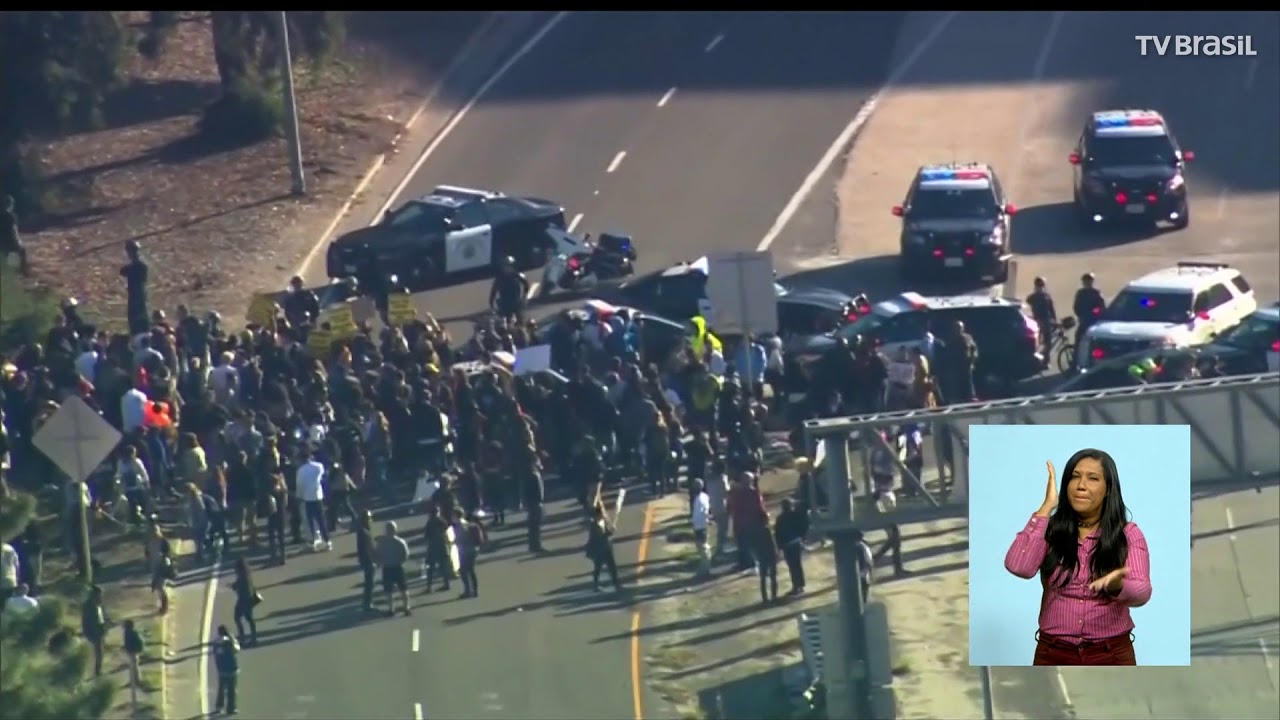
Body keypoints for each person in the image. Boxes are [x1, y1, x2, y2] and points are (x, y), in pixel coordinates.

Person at [1003, 450, 1151, 666]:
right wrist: (1046, 507)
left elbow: (1142, 592)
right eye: (1075, 476)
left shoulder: (1128, 534)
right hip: (1053, 652)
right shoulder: (1050, 531)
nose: (1081, 485)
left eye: (1093, 478)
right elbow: (1019, 567)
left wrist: (1117, 585)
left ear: (1108, 489)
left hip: (1111, 653)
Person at [774, 498, 809, 596]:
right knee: (798, 565)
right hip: (796, 542)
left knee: (792, 566)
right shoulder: (795, 515)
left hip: (787, 545)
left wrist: (779, 547)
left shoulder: (780, 518)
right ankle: (801, 585)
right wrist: (802, 537)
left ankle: (796, 586)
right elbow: (803, 526)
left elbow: (778, 534)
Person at [376, 521, 412, 616]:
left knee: (392, 590)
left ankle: (393, 609)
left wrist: (380, 562)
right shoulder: (400, 542)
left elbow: (378, 554)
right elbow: (406, 555)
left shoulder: (382, 542)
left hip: (389, 567)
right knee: (400, 589)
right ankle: (404, 608)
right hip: (395, 567)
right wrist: (400, 561)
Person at [585, 502, 621, 592]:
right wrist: (609, 533)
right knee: (598, 569)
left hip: (607, 548)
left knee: (612, 567)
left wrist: (610, 530)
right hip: (599, 550)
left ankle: (616, 584)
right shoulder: (594, 526)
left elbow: (606, 531)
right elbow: (599, 537)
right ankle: (595, 585)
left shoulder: (603, 522)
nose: (600, 516)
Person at [488, 256, 529, 322]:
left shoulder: (518, 275)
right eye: (505, 266)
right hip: (504, 305)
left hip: (516, 303)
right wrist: (492, 306)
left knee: (520, 321)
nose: (508, 268)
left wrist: (524, 297)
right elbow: (493, 293)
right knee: (505, 323)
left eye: (509, 266)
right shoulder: (500, 278)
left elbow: (526, 285)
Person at [229, 558, 259, 645]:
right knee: (249, 618)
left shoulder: (242, 577)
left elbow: (239, 586)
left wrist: (233, 586)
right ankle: (253, 637)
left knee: (238, 617)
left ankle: (243, 638)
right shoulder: (246, 575)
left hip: (243, 600)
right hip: (249, 599)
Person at [1072, 272, 1107, 347]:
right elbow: (1076, 307)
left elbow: (1101, 307)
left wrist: (1094, 313)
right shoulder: (1081, 293)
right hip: (1085, 320)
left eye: (1088, 281)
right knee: (1079, 338)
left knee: (1093, 340)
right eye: (1085, 281)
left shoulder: (1095, 293)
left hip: (1093, 321)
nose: (1087, 283)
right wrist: (1081, 315)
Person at [1025, 276, 1057, 356]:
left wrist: (1054, 319)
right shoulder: (1035, 296)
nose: (1040, 288)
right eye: (1038, 286)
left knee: (1047, 341)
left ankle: (1045, 357)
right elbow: (1028, 300)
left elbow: (1051, 309)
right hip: (1039, 320)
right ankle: (1039, 356)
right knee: (1039, 341)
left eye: (1041, 286)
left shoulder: (1046, 296)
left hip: (1046, 320)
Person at [212, 625, 240, 715]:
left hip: (221, 669)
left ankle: (219, 706)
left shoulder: (216, 642)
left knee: (222, 688)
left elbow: (216, 654)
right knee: (232, 690)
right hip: (231, 668)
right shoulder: (230, 641)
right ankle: (231, 708)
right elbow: (236, 649)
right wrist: (232, 638)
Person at [0, 194, 29, 275]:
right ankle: (21, 272)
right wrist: (19, 242)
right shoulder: (11, 216)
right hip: (9, 242)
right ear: (10, 205)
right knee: (21, 251)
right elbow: (14, 231)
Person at [355, 510, 377, 611]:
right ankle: (367, 603)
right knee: (369, 583)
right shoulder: (364, 532)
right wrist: (372, 561)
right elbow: (366, 549)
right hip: (368, 562)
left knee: (369, 583)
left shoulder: (363, 531)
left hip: (366, 561)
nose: (370, 520)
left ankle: (367, 602)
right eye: (368, 518)